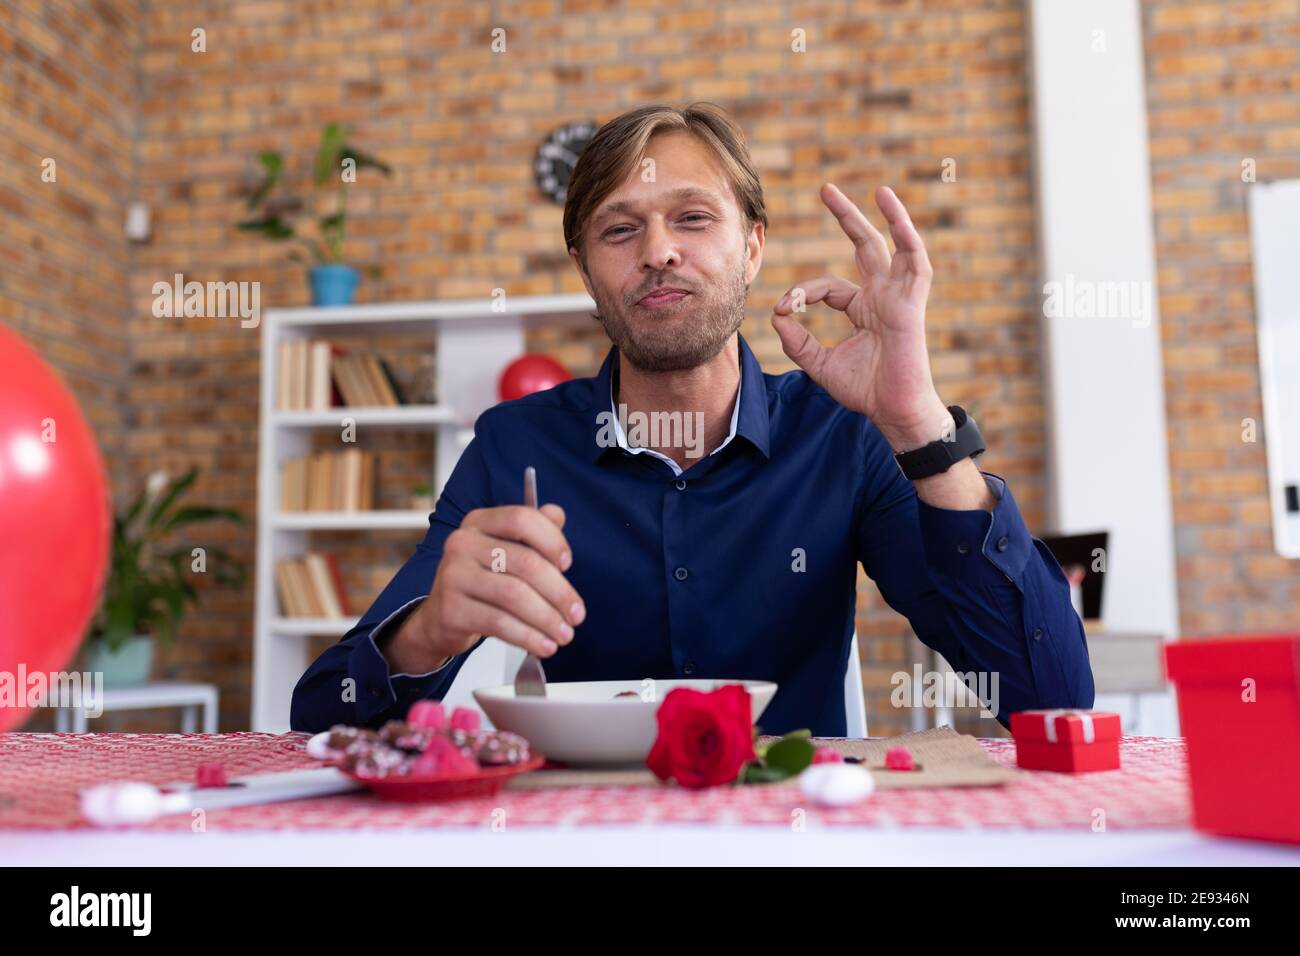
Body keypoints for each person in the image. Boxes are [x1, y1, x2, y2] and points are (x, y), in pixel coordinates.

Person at [291, 102, 1094, 736]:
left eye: (693, 218)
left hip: (790, 838)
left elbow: (1050, 700)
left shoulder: (845, 438)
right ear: (585, 270)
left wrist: (921, 425)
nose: (659, 251)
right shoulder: (516, 445)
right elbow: (322, 718)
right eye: (620, 228)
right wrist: (428, 632)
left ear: (752, 247)